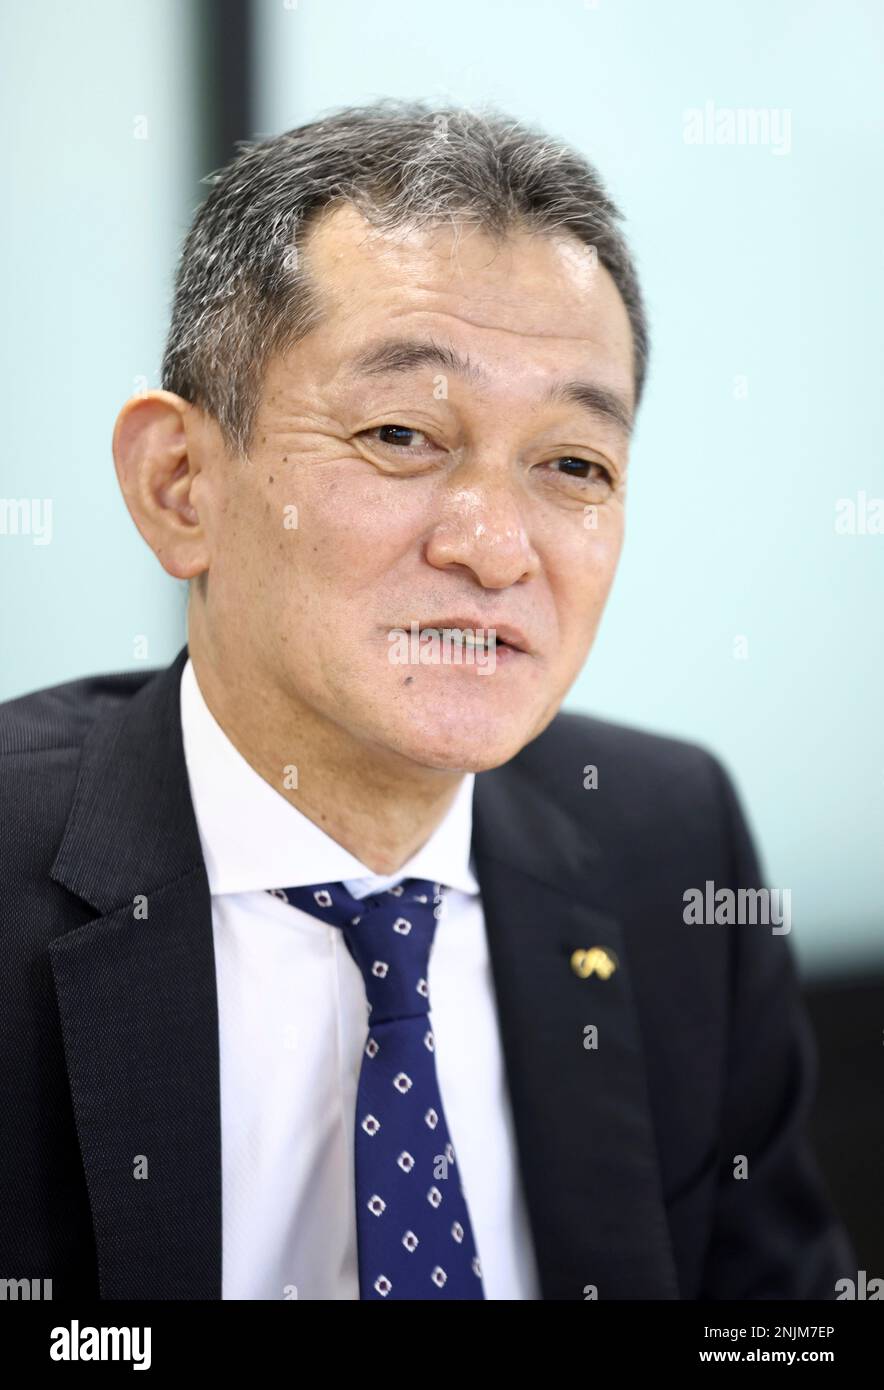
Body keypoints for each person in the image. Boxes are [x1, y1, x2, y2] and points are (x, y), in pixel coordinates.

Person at [0, 99, 854, 1300]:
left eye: (571, 464)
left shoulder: (667, 843)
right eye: (401, 433)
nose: (498, 549)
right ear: (180, 484)